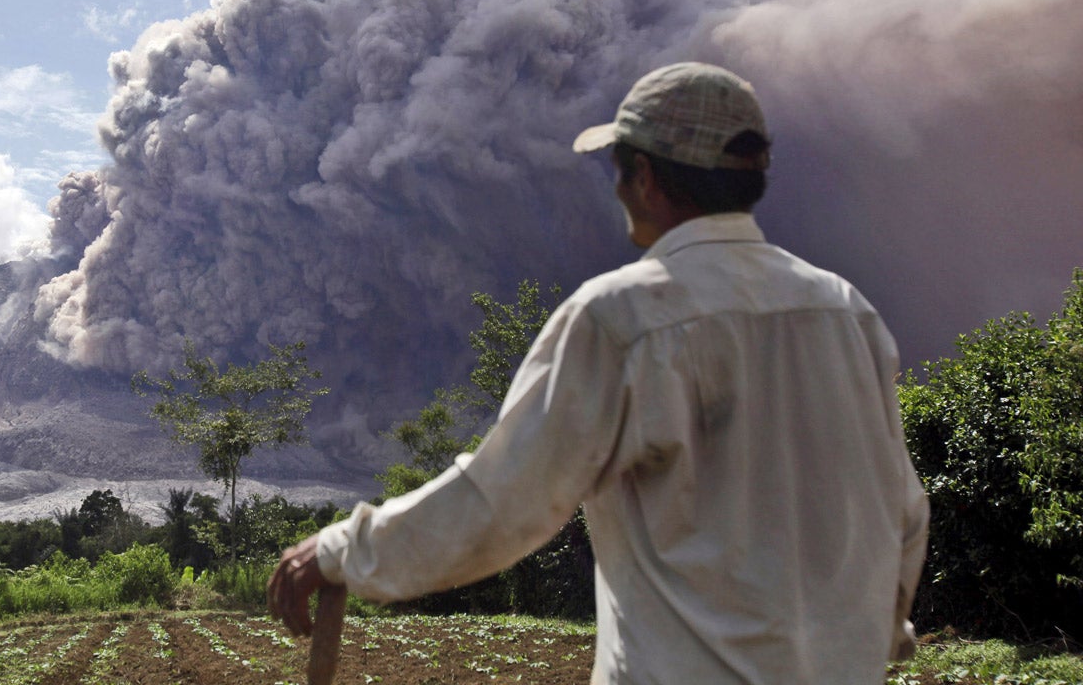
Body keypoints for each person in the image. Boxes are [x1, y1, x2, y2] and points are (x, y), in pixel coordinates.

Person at [269, 62, 930, 684]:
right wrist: (871, 633)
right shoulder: (846, 312)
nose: (615, 188)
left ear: (645, 177)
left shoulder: (625, 317)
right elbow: (903, 511)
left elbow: (502, 501)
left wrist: (341, 551)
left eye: (618, 167)